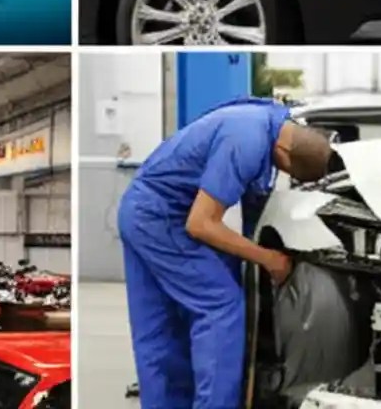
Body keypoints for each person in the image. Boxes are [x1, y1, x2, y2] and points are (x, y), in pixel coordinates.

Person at [117, 98, 333, 409]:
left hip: (140, 210)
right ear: (284, 153)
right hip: (160, 219)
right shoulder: (246, 142)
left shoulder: (272, 119)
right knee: (221, 305)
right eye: (287, 171)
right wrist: (268, 259)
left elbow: (251, 206)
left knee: (160, 327)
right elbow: (201, 224)